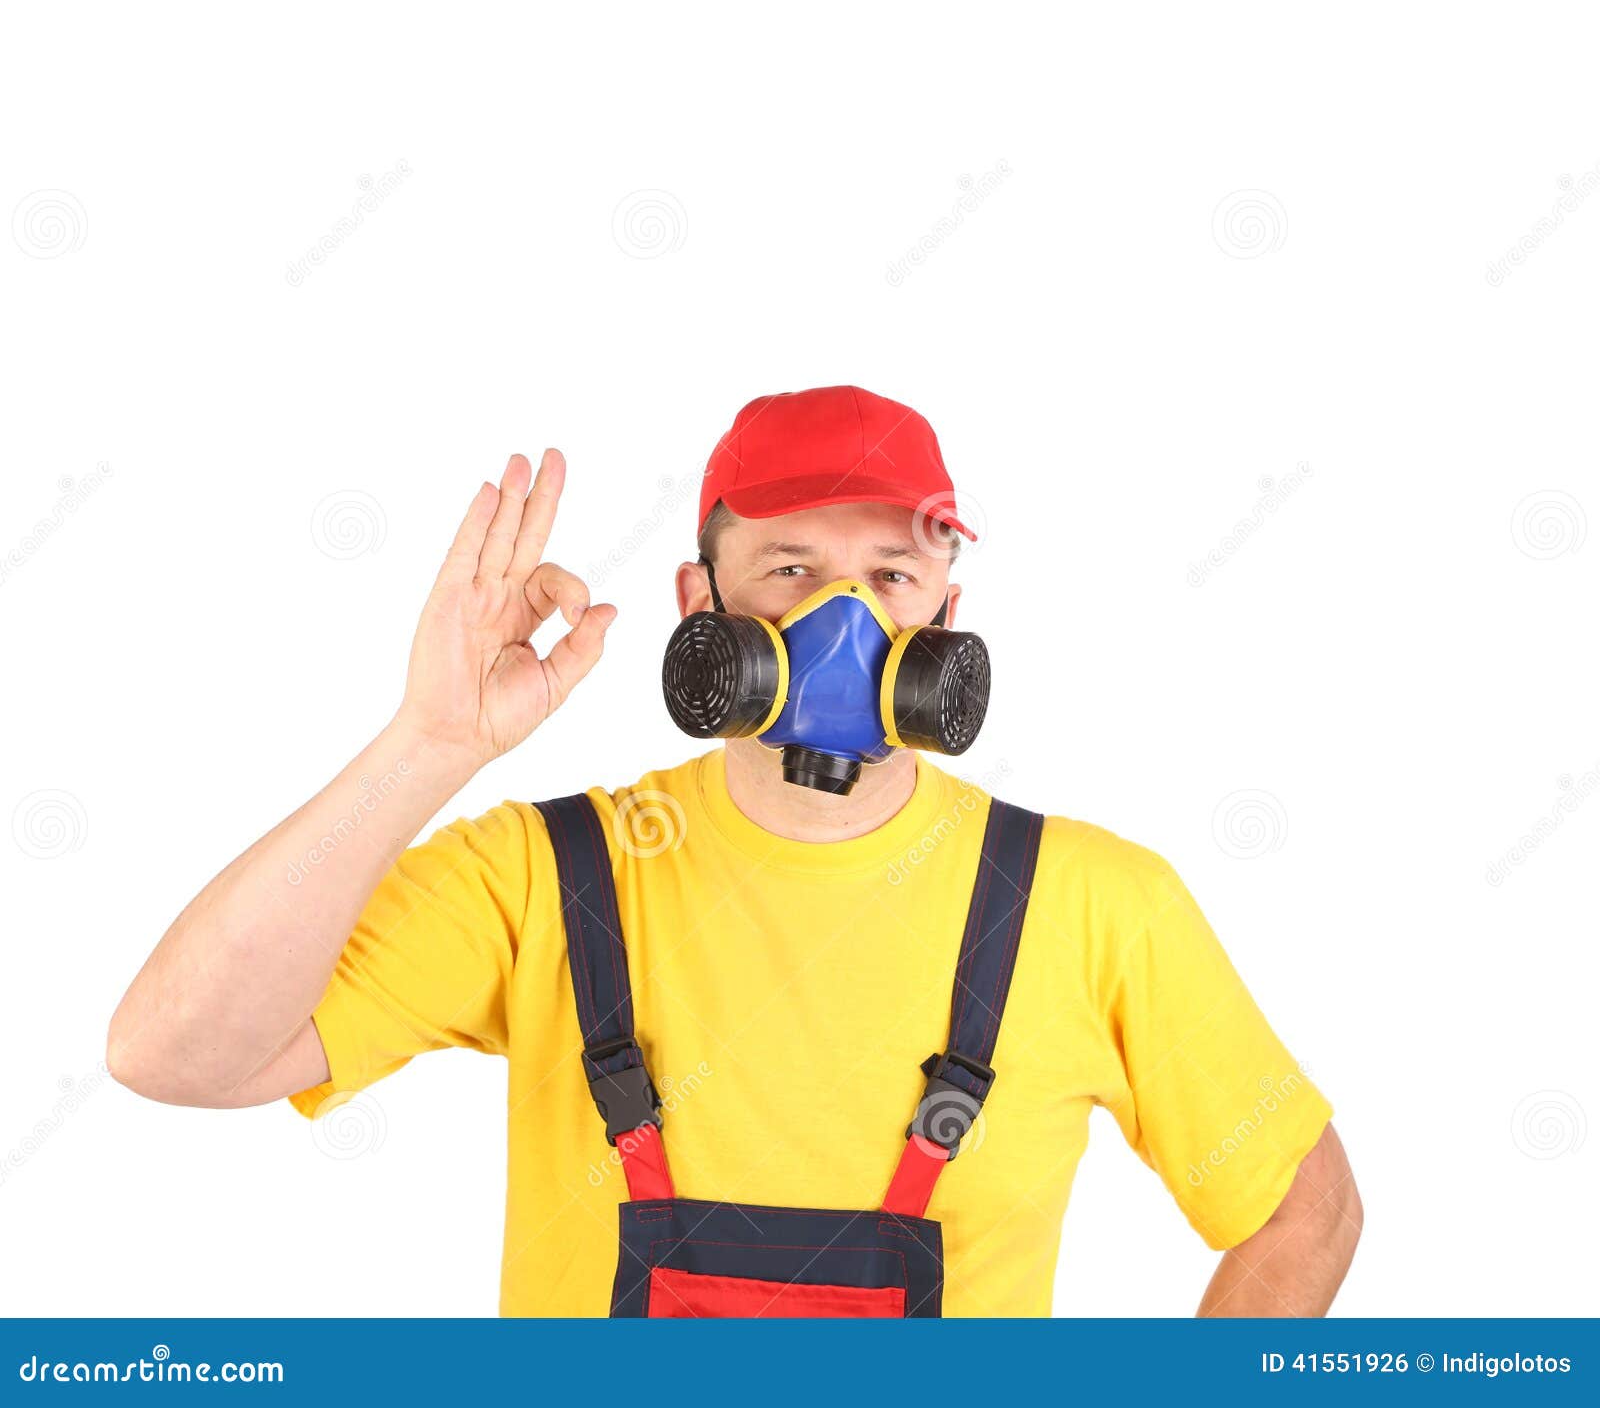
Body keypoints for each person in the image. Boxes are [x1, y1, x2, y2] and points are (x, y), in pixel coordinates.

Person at [107, 385, 1361, 1317]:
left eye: (891, 574)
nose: (844, 622)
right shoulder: (553, 879)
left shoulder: (1091, 906)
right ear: (698, 609)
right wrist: (428, 744)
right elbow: (174, 1052)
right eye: (789, 568)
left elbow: (1306, 1215)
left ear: (947, 619)